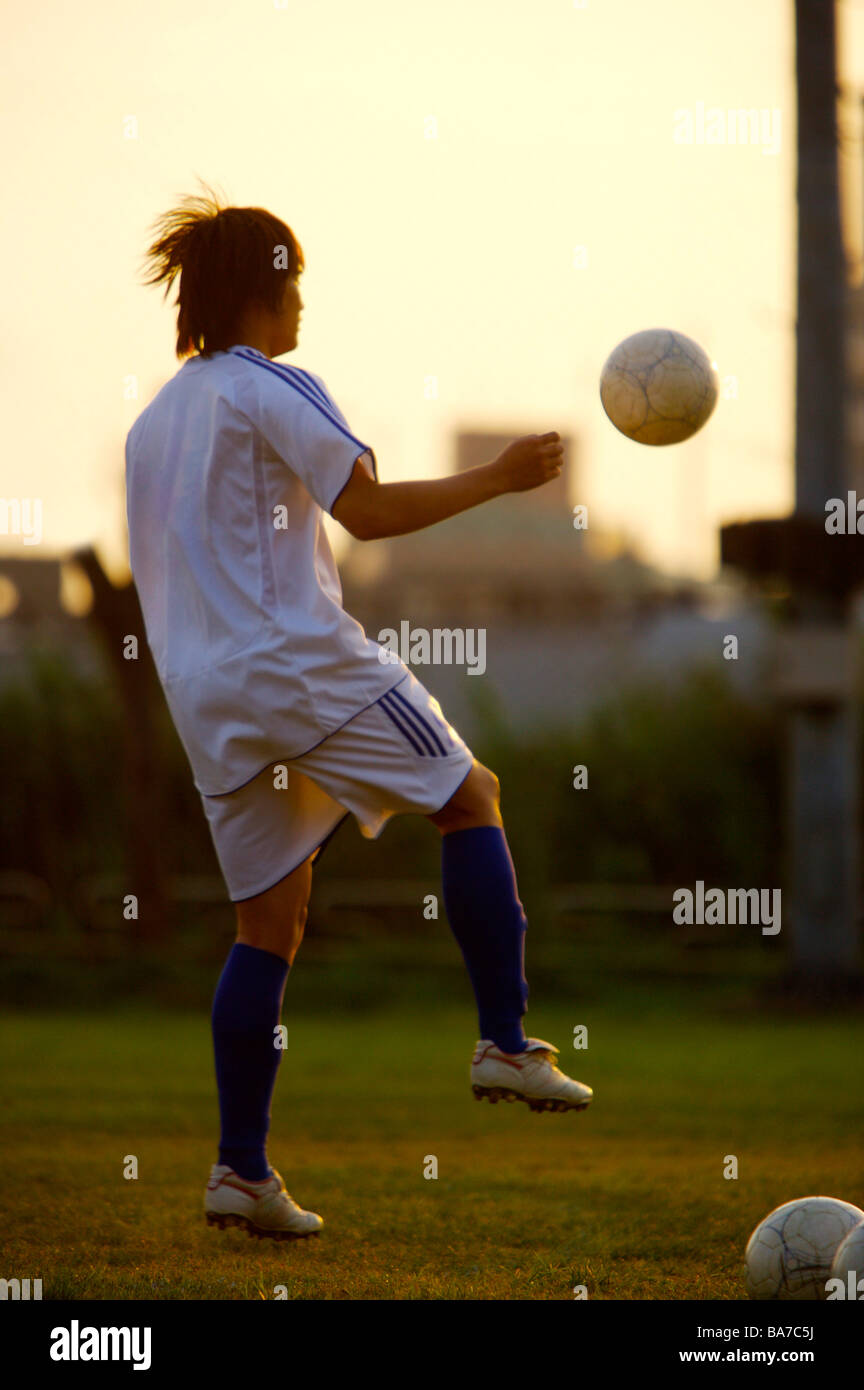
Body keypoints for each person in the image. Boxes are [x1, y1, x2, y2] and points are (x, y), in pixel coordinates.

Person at [126, 186, 592, 1243]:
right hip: (298, 662)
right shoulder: (273, 384)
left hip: (205, 698)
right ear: (266, 283)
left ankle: (241, 1172)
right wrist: (503, 475)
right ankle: (506, 1040)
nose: (306, 309)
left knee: (267, 925)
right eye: (298, 283)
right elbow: (368, 513)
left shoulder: (153, 422)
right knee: (471, 795)